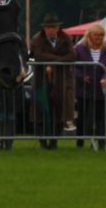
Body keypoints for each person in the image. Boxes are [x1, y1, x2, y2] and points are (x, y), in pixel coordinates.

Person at [28, 12, 76, 148]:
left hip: (61, 81)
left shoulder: (65, 38)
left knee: (60, 111)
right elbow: (38, 55)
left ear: (58, 28)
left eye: (53, 27)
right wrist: (59, 59)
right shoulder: (37, 39)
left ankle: (54, 141)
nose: (50, 30)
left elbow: (72, 55)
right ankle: (42, 141)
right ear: (44, 28)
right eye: (48, 27)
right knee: (41, 110)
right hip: (41, 80)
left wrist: (55, 61)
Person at [73, 24, 106, 150]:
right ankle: (80, 143)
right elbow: (72, 66)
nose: (99, 37)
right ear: (89, 35)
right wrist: (81, 76)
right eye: (96, 35)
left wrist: (105, 77)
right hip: (84, 89)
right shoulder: (79, 49)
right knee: (83, 118)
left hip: (100, 90)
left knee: (100, 118)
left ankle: (101, 143)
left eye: (101, 35)